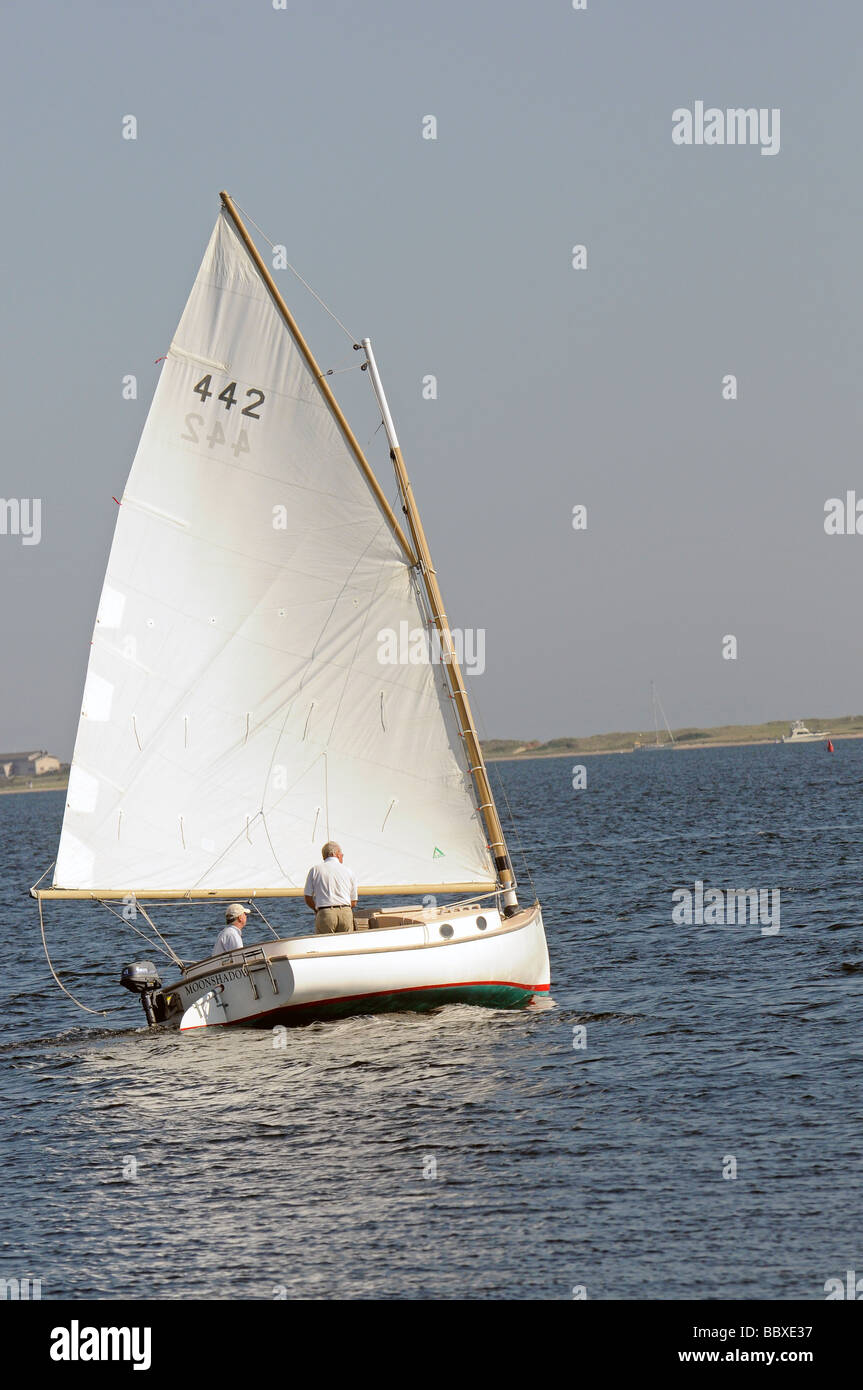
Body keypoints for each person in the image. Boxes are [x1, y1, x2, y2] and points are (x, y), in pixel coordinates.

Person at [304, 842, 358, 934]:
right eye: (341, 854)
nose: (342, 856)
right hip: (346, 912)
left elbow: (308, 897)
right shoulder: (349, 871)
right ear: (335, 854)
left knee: (325, 945)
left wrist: (316, 909)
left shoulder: (315, 870)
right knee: (346, 944)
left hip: (325, 913)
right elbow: (354, 902)